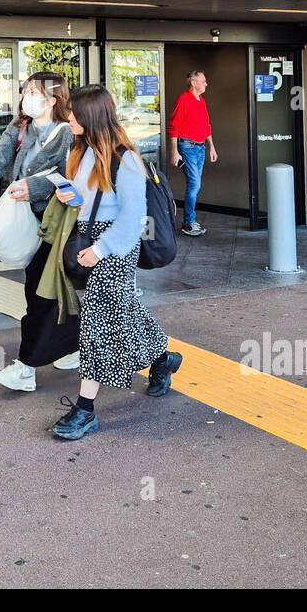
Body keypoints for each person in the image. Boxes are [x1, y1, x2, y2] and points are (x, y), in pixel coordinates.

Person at [51, 84, 183, 441]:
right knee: (123, 311)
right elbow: (90, 200)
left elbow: (133, 217)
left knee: (97, 323)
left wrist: (102, 249)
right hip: (89, 237)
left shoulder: (126, 158)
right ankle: (162, 359)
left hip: (115, 246)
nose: (69, 117)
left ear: (92, 116)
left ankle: (85, 409)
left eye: (75, 112)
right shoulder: (82, 151)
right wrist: (70, 195)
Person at [0, 72, 79, 392]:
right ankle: (76, 345)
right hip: (27, 222)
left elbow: (69, 176)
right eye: (26, 91)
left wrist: (36, 187)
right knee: (51, 291)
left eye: (34, 92)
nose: (26, 97)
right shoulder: (20, 127)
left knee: (39, 293)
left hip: (55, 225)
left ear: (53, 99)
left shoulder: (67, 133)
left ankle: (26, 368)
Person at [167, 69, 218, 237]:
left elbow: (207, 125)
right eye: (203, 81)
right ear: (194, 83)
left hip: (201, 148)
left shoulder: (201, 101)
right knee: (195, 184)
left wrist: (211, 147)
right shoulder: (184, 99)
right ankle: (189, 222)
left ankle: (190, 221)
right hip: (187, 147)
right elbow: (174, 126)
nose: (206, 83)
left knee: (194, 184)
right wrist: (174, 151)